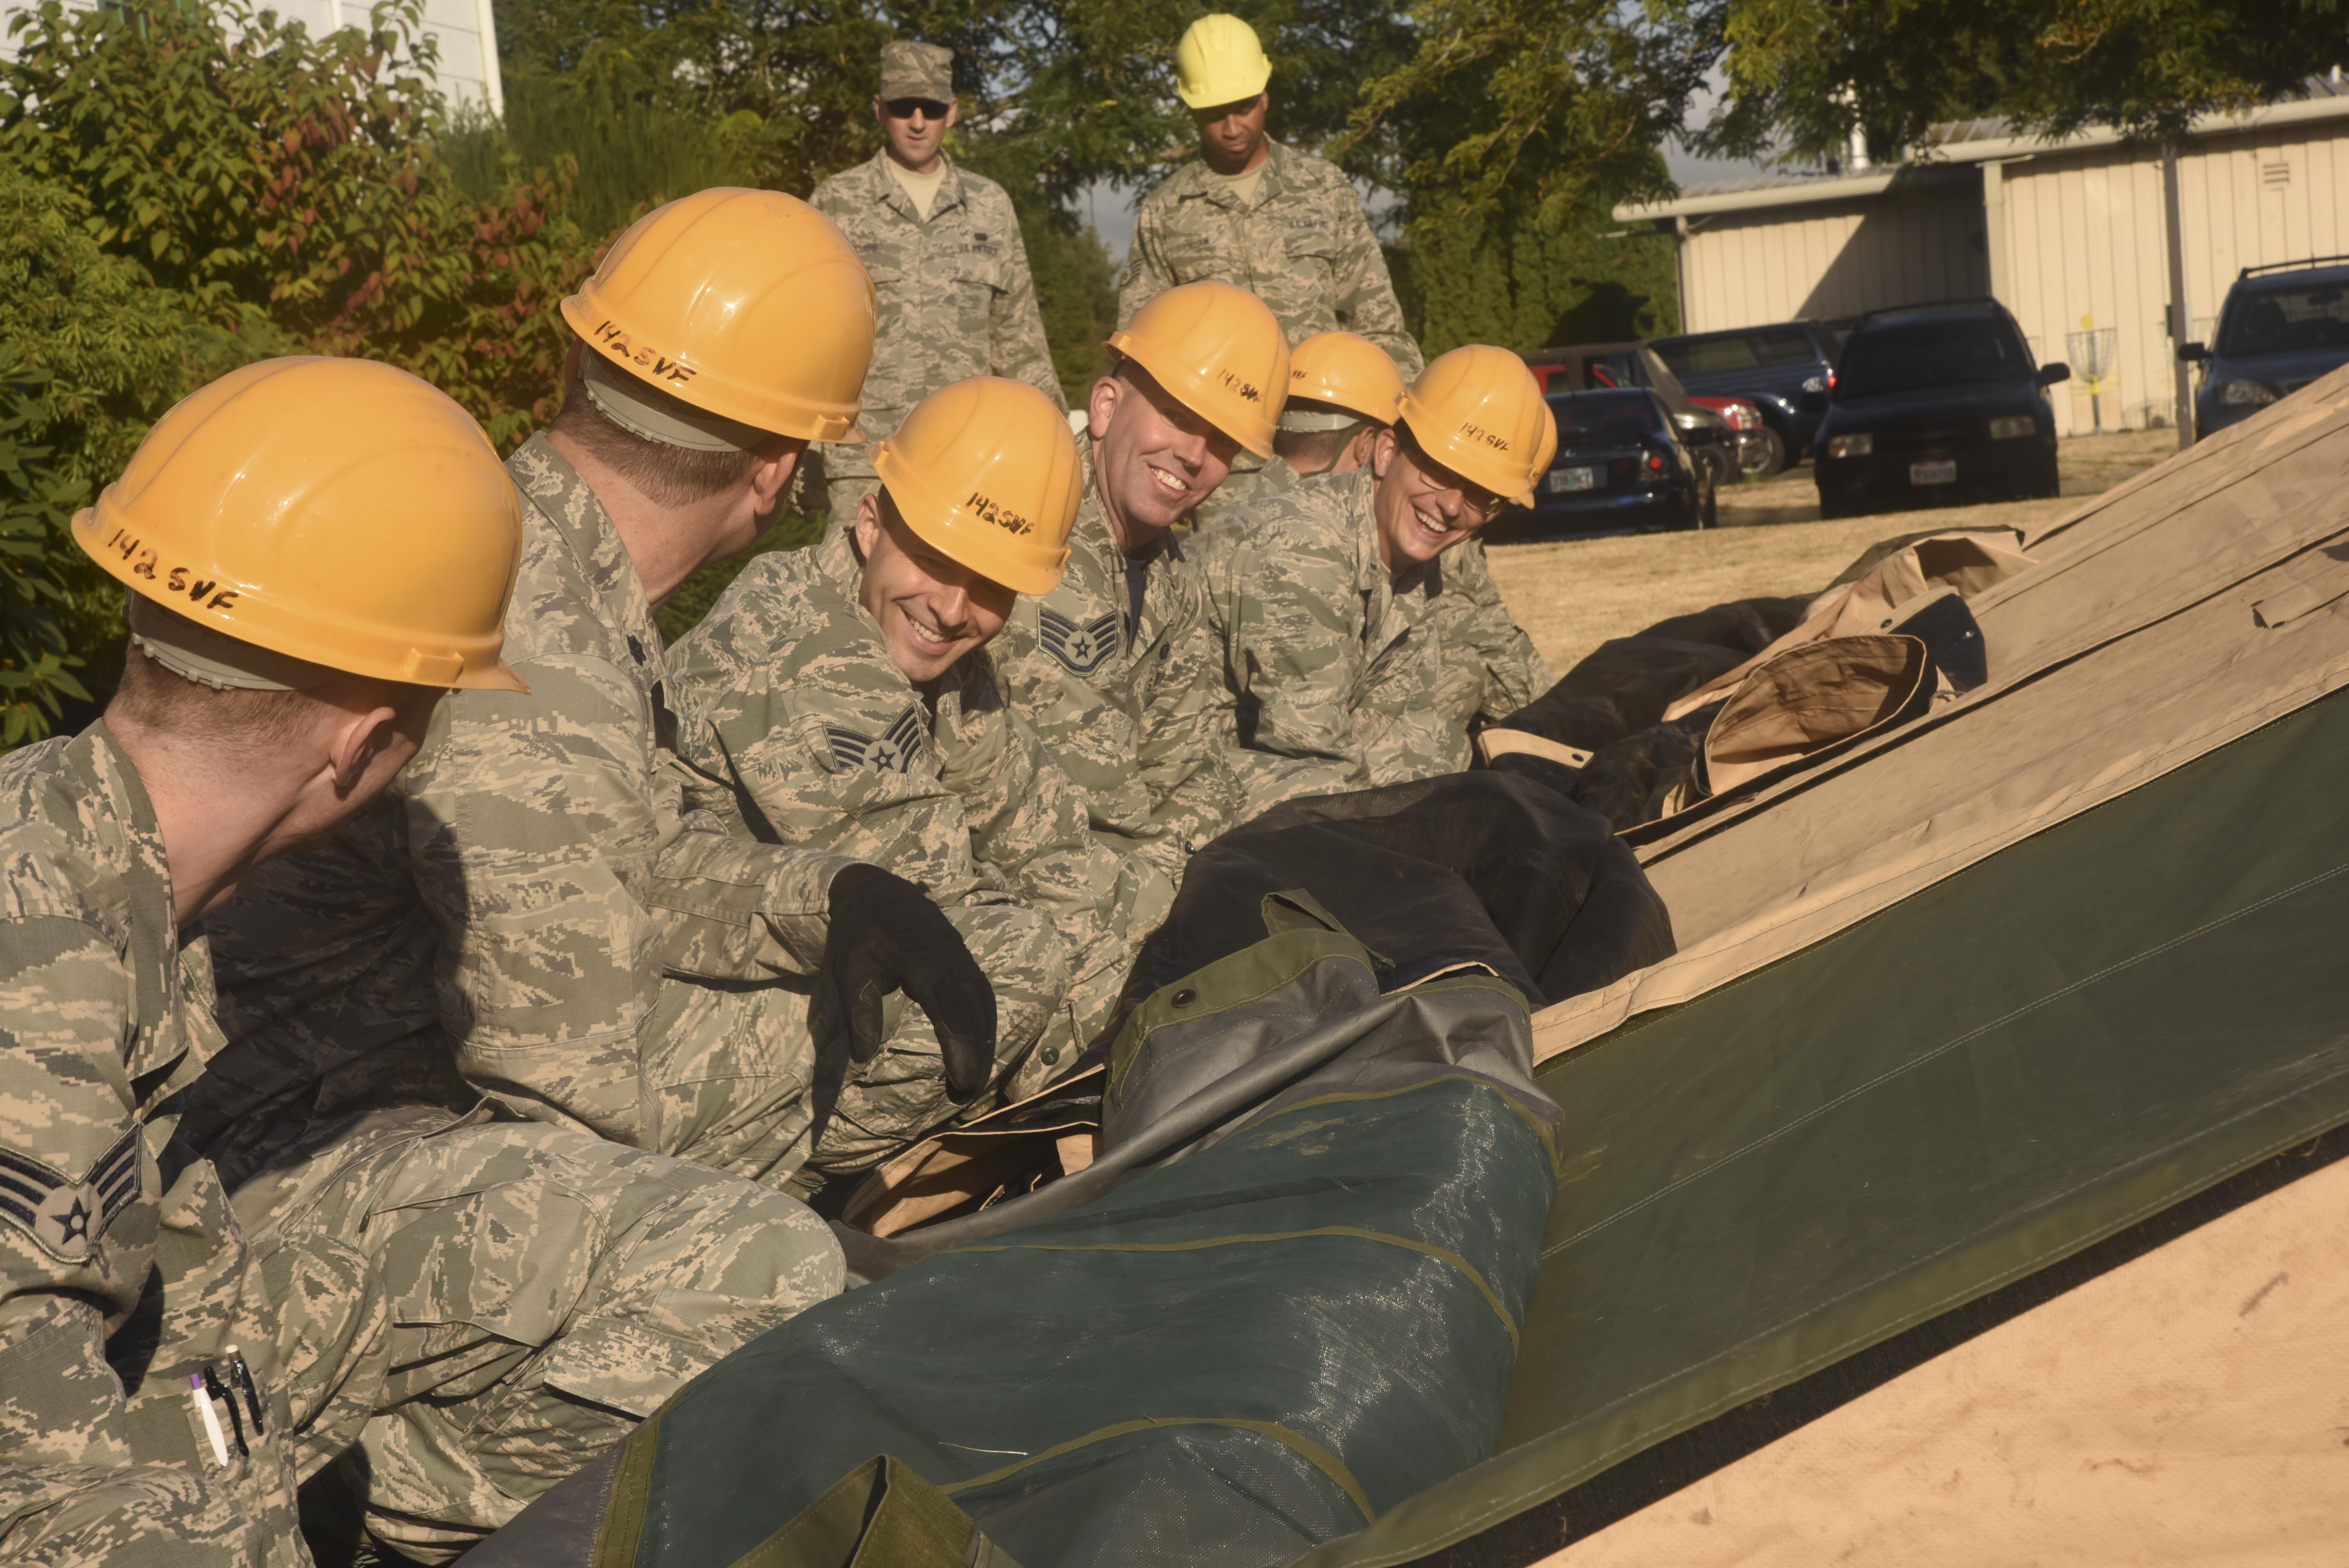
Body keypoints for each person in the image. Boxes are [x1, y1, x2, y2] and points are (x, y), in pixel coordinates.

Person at [0, 358, 842, 1566]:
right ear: (366, 744)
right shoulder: (46, 1006)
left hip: (185, 1297)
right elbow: (46, 1510)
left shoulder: (60, 831)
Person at [207, 188, 1003, 1204]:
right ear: (776, 473)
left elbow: (637, 859)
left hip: (341, 1052)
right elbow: (572, 1121)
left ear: (576, 368)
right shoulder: (552, 673)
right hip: (296, 1141)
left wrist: (834, 896)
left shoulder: (514, 533)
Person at [674, 377, 1137, 1078]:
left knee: (1118, 912)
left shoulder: (945, 663)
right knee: (1013, 959)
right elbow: (930, 899)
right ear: (870, 526)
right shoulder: (809, 647)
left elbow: (1051, 842)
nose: (952, 610)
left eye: (991, 584)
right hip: (687, 1001)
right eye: (936, 560)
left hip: (805, 974)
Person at [987, 280, 1289, 915]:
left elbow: (1190, 767)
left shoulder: (1169, 570)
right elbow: (1085, 800)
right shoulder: (1033, 526)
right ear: (1104, 407)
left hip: (1120, 868)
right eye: (1177, 415)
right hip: (1016, 883)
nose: (1194, 454)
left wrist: (1176, 858)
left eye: (1223, 440)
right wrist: (1177, 880)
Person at [1196, 345, 1557, 808]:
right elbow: (1312, 755)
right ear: (1386, 453)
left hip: (1269, 758)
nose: (1451, 506)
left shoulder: (1416, 565)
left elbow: (1397, 727)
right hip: (1179, 775)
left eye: (1481, 495)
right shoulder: (1303, 546)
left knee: (1441, 750)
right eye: (1440, 471)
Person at [1119, 14, 1421, 507]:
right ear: (1190, 109)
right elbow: (1142, 351)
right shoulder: (1166, 211)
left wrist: (1401, 442)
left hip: (1333, 452)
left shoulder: (1323, 189)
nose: (1232, 127)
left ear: (1265, 95)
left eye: (1243, 107)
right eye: (1214, 113)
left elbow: (1379, 326)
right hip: (1221, 466)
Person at [810, 39, 1064, 524]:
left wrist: (1053, 445)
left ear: (952, 111)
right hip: (863, 459)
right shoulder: (837, 202)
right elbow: (810, 337)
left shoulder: (990, 206)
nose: (917, 122)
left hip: (970, 456)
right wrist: (800, 451)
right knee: (854, 574)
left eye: (930, 108)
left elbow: (1019, 338)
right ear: (879, 109)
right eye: (904, 106)